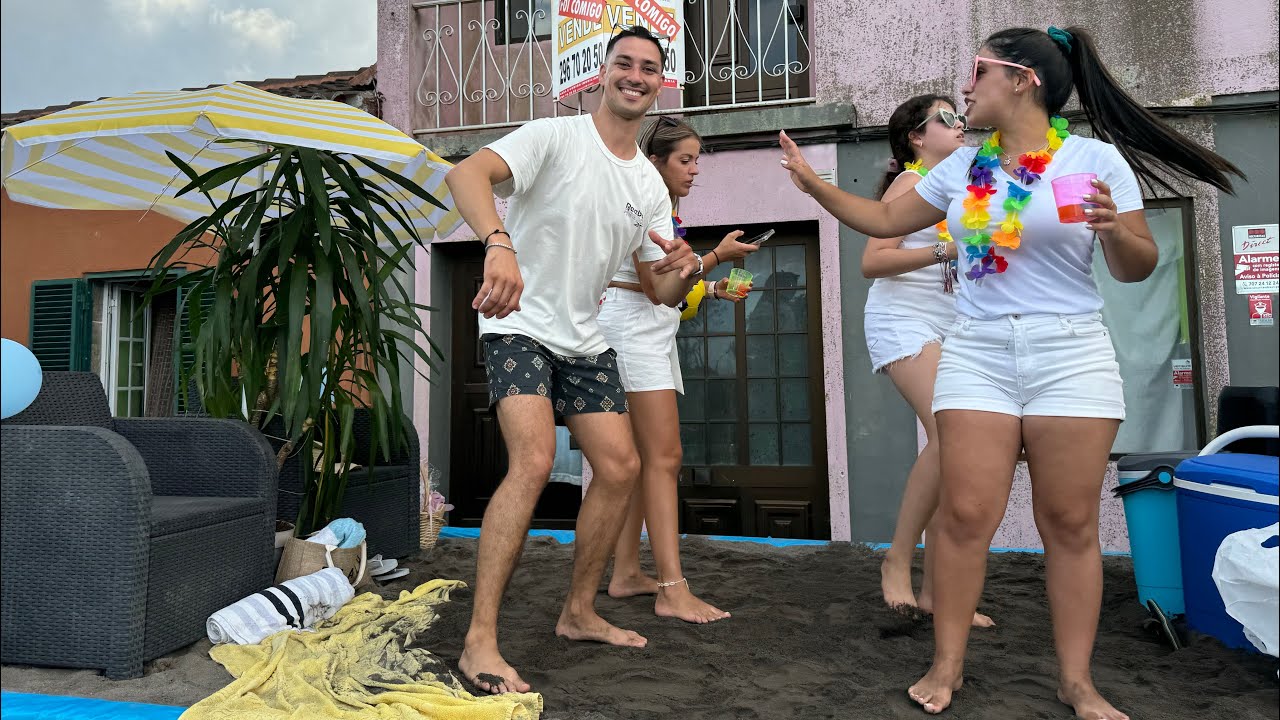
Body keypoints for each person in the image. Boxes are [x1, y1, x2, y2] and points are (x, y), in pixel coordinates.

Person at [778, 26, 1242, 720]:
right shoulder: (964, 168)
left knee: (1069, 522)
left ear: (1023, 80)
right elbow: (882, 217)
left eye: (978, 71)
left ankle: (1076, 682)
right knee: (966, 515)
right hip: (977, 349)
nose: (966, 88)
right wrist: (813, 183)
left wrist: (1116, 230)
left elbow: (1134, 266)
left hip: (1071, 352)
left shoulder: (1092, 161)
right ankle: (947, 663)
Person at [442, 25, 703, 695]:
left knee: (621, 467)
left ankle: (579, 611)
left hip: (585, 338)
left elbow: (659, 291)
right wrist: (498, 242)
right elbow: (465, 173)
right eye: (624, 63)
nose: (635, 75)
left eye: (649, 67)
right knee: (532, 460)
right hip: (518, 323)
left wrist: (685, 268)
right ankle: (479, 641)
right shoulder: (553, 137)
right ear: (602, 73)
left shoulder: (648, 185)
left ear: (660, 83)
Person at [600, 116, 759, 624]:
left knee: (642, 462)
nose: (695, 170)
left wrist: (709, 287)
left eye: (696, 160)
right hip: (633, 332)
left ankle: (627, 572)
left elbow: (664, 287)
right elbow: (655, 287)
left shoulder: (658, 206)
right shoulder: (641, 202)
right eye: (685, 160)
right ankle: (672, 588)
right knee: (665, 458)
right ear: (656, 161)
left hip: (645, 328)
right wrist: (716, 257)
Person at [862, 95, 997, 628]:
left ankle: (938, 593)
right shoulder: (909, 183)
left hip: (954, 322)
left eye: (960, 116)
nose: (960, 123)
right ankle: (897, 558)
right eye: (946, 118)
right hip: (904, 318)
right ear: (916, 138)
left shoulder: (966, 188)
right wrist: (947, 249)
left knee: (959, 450)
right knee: (949, 433)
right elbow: (874, 260)